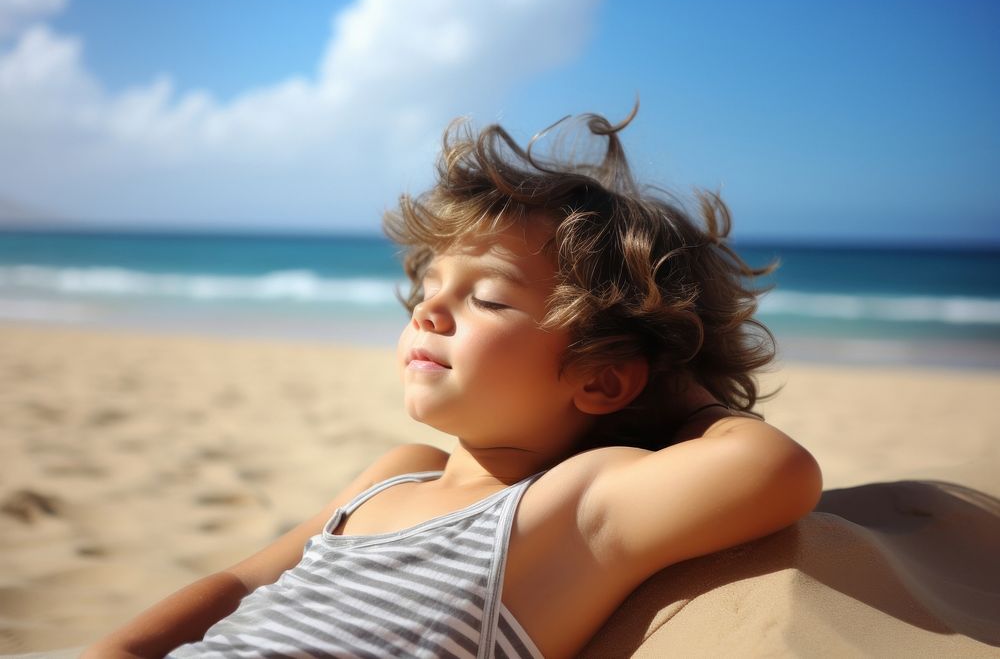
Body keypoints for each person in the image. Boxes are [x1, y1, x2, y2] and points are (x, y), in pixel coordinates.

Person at [84, 107, 822, 659]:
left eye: (489, 297)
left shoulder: (561, 510)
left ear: (602, 379)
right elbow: (239, 587)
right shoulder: (393, 475)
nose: (430, 309)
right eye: (431, 285)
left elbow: (773, 470)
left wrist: (675, 384)